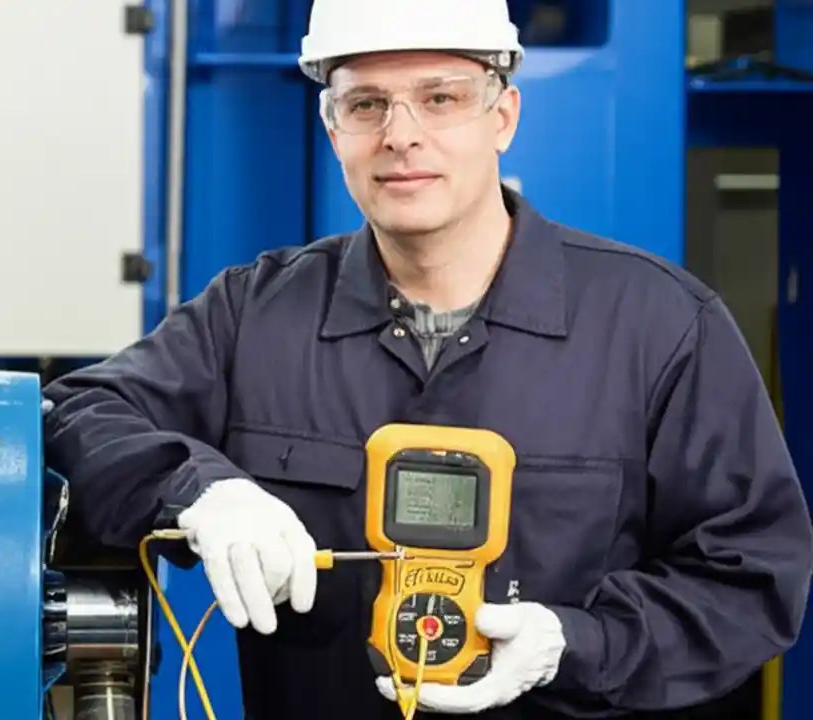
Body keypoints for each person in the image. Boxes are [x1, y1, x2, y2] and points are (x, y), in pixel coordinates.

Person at [42, 1, 813, 717]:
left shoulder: (659, 326)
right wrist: (202, 493)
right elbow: (77, 413)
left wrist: (572, 644)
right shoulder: (254, 315)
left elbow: (750, 579)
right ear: (331, 124)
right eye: (366, 104)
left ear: (503, 114)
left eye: (440, 97)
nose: (400, 134)